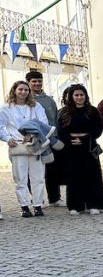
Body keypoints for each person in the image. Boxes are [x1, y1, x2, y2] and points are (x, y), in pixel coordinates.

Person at [57, 84, 103, 215]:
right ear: (71, 97)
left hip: (89, 147)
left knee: (91, 176)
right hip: (71, 149)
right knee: (74, 176)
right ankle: (75, 206)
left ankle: (93, 204)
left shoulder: (92, 111)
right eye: (76, 95)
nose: (79, 97)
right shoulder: (64, 112)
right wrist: (70, 139)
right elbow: (61, 130)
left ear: (85, 96)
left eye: (81, 95)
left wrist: (85, 139)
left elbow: (98, 128)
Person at [0, 80, 49, 217]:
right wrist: (7, 138)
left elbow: (43, 122)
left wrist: (32, 134)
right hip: (17, 145)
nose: (23, 92)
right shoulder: (6, 108)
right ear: (14, 91)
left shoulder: (36, 106)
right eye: (20, 89)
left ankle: (38, 205)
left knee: (38, 177)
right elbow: (0, 126)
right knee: (20, 178)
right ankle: (24, 206)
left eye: (26, 90)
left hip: (34, 144)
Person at [26, 70, 63, 207]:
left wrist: (56, 135)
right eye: (34, 81)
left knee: (53, 169)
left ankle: (54, 198)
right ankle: (37, 199)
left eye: (39, 81)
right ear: (28, 83)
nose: (37, 84)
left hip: (50, 138)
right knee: (33, 171)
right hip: (34, 140)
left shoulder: (49, 100)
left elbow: (55, 119)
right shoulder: (24, 100)